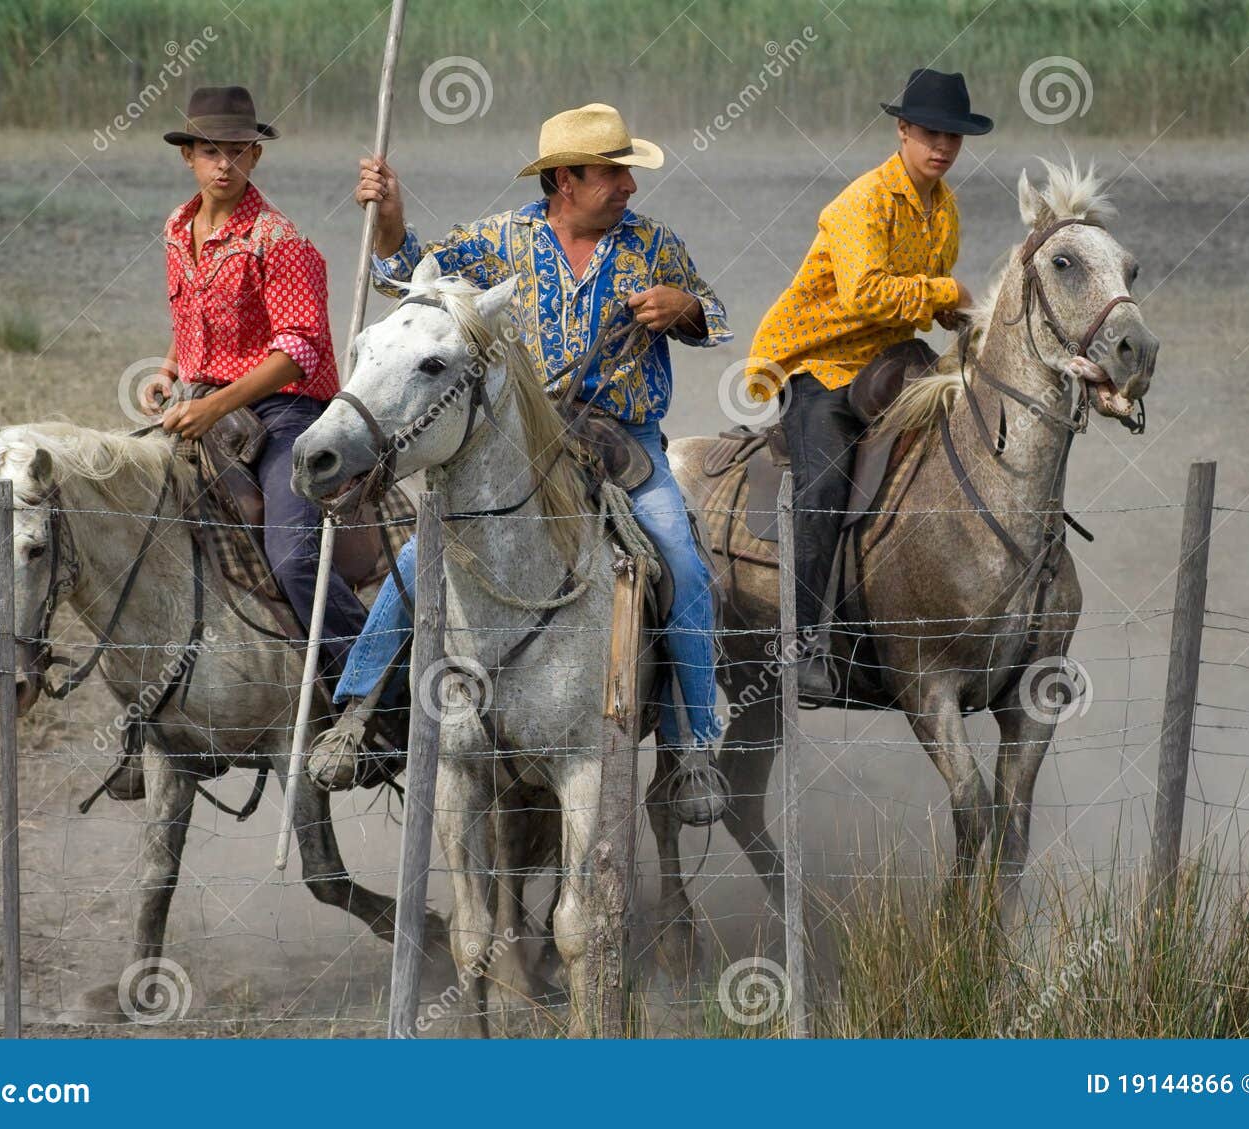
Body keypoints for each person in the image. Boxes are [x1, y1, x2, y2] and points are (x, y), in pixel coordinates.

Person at [306, 103, 732, 826]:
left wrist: (682, 304)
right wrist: (389, 215)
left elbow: (713, 317)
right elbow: (409, 275)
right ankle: (357, 706)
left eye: (628, 171)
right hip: (525, 436)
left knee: (684, 562)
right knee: (420, 553)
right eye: (612, 172)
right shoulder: (499, 240)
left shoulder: (652, 244)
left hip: (624, 438)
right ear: (565, 178)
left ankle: (693, 742)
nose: (628, 184)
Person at [746, 69, 991, 697]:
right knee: (824, 485)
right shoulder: (860, 203)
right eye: (931, 132)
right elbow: (865, 294)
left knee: (966, 439)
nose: (942, 146)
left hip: (889, 356)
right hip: (822, 362)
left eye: (954, 137)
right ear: (903, 130)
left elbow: (932, 306)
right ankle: (800, 645)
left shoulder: (945, 209)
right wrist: (947, 292)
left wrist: (979, 322)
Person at [152, 85, 367, 672]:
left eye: (236, 151)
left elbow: (297, 352)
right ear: (188, 157)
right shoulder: (177, 227)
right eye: (210, 151)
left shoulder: (281, 242)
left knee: (294, 557)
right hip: (202, 399)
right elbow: (196, 312)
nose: (223, 164)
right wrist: (172, 366)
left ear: (255, 156)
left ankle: (372, 680)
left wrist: (216, 407)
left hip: (284, 411)